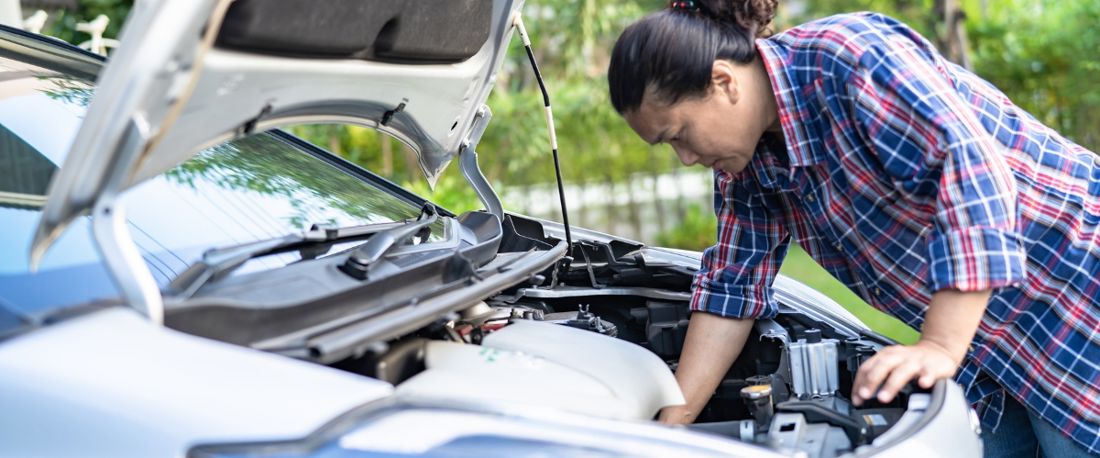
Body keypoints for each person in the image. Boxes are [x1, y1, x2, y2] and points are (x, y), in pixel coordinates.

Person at [607, 1, 1100, 456]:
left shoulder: (850, 60)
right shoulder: (747, 168)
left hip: (1071, 298)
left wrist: (939, 346)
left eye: (679, 135)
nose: (687, 158)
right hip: (988, 341)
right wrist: (673, 427)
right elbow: (732, 290)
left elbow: (974, 176)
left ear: (723, 82)